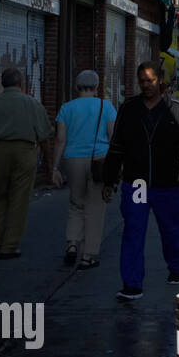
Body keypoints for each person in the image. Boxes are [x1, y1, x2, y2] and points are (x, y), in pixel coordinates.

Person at [102, 62, 179, 301]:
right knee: (133, 232)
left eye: (150, 81)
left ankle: (176, 267)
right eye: (142, 81)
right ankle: (132, 285)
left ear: (160, 81)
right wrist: (108, 180)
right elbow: (117, 148)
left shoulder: (175, 110)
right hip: (136, 183)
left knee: (171, 231)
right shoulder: (128, 109)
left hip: (167, 184)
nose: (146, 85)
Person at [0, 67, 54, 260]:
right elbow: (44, 139)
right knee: (19, 198)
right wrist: (50, 165)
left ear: (3, 84)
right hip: (25, 151)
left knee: (1, 193)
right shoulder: (33, 104)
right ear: (21, 84)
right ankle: (9, 245)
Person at [51, 70, 117, 269]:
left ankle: (72, 244)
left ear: (76, 87)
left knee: (76, 203)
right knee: (95, 208)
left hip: (73, 160)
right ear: (97, 87)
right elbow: (113, 136)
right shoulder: (106, 107)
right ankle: (88, 255)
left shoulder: (66, 108)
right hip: (99, 159)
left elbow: (60, 139)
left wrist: (55, 167)